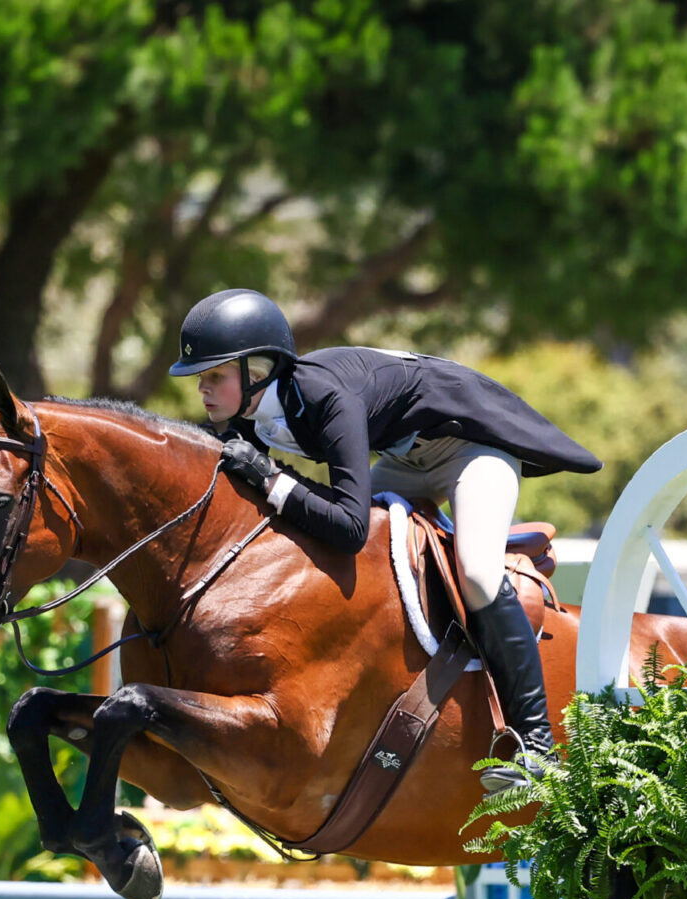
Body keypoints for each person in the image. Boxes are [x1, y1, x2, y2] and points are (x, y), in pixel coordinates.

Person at [169, 287, 601, 793]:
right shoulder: (254, 409)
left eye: (214, 376)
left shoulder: (325, 398)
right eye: (203, 378)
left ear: (257, 370)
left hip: (472, 451)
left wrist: (272, 479)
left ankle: (537, 747)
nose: (203, 389)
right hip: (407, 460)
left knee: (479, 573)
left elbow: (349, 526)